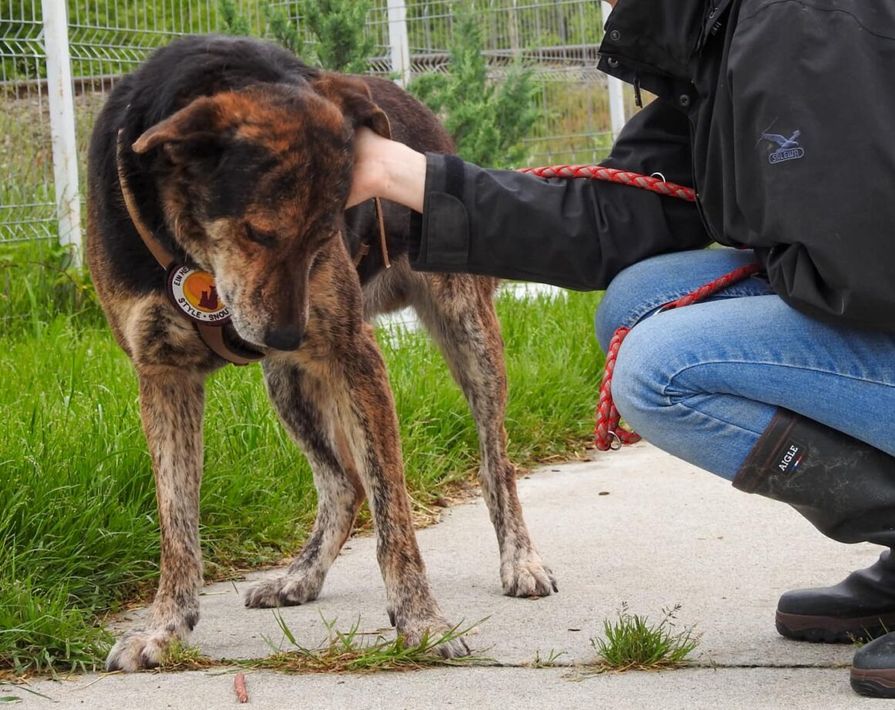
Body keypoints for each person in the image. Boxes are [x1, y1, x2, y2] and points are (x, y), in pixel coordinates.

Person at [347, 0, 895, 698]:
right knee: (639, 302)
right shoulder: (723, 34)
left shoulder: (804, 26)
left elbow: (864, 256)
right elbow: (618, 219)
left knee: (664, 366)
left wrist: (776, 242)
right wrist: (399, 174)